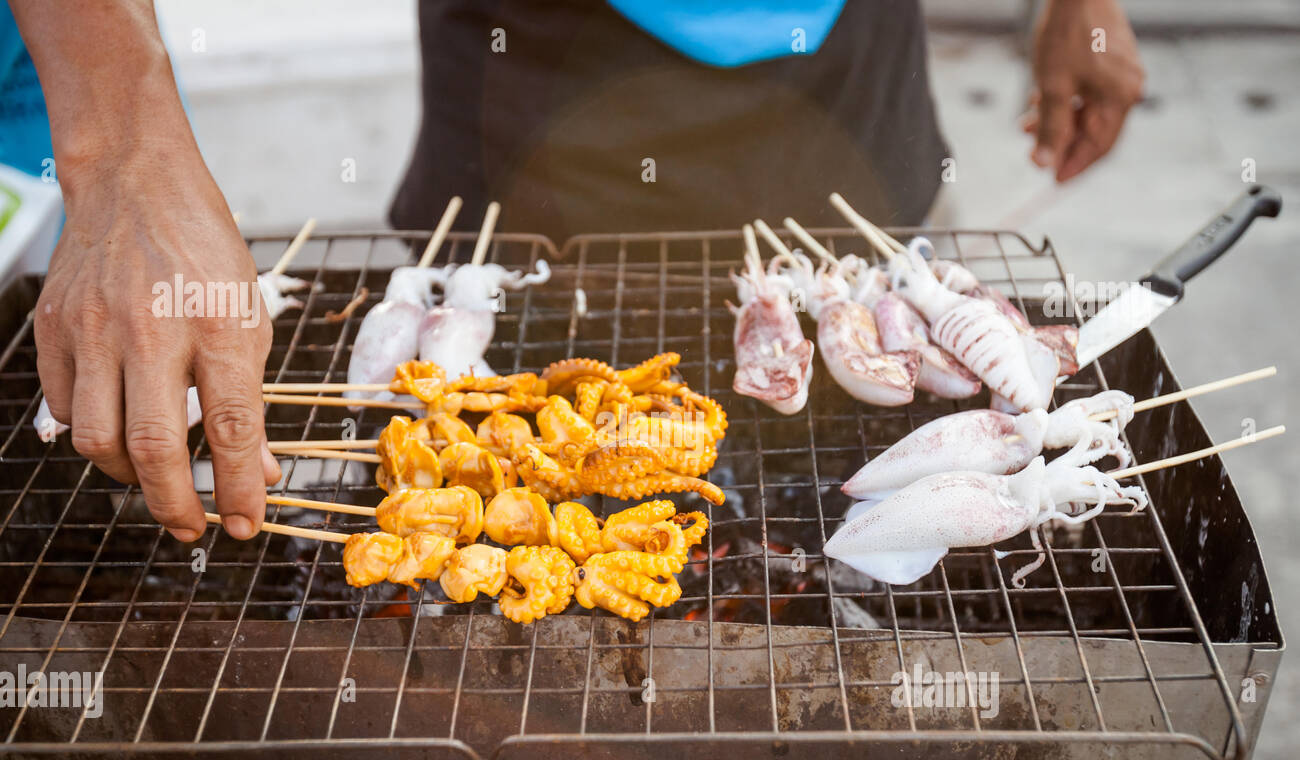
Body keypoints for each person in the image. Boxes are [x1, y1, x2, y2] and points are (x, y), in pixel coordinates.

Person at [7, 0, 1143, 542]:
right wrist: (122, 153)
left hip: (840, 51)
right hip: (538, 48)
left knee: (860, 275)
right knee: (493, 286)